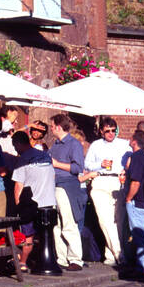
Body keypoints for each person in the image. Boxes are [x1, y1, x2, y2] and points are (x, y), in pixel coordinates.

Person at [83, 118, 129, 266]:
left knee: (118, 221)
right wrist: (99, 164)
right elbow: (87, 164)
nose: (111, 133)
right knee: (105, 220)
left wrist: (126, 172)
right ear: (101, 131)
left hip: (118, 182)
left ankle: (110, 255)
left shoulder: (124, 144)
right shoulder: (96, 146)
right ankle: (119, 253)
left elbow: (131, 161)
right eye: (107, 130)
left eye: (113, 130)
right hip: (101, 181)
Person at [12, 130, 56, 270]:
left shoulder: (23, 159)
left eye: (14, 146)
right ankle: (43, 260)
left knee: (28, 235)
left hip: (31, 203)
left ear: (18, 144)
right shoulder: (45, 156)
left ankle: (23, 262)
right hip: (48, 201)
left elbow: (18, 185)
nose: (15, 149)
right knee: (45, 235)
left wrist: (18, 206)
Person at [48, 114, 86, 270]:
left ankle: (76, 259)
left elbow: (78, 168)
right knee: (56, 225)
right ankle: (61, 258)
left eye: (51, 126)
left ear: (58, 126)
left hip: (67, 186)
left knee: (69, 223)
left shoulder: (74, 144)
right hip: (53, 185)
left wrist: (57, 164)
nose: (50, 129)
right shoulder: (55, 145)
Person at [121, 129, 144, 276]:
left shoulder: (136, 157)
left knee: (139, 235)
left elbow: (136, 182)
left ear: (134, 141)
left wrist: (128, 198)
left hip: (138, 201)